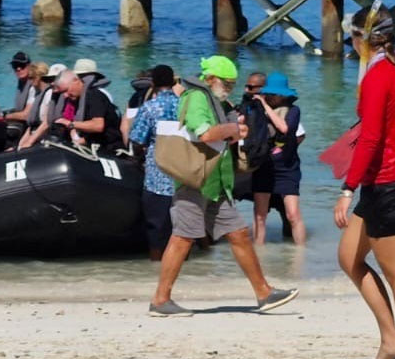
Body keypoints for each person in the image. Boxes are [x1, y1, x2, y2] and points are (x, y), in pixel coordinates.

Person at [149, 55, 298, 317]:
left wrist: (234, 130)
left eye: (232, 83)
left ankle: (264, 293)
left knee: (239, 233)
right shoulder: (196, 97)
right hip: (194, 180)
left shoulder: (214, 100)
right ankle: (161, 300)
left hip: (215, 181)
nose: (229, 87)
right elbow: (203, 132)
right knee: (183, 236)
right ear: (210, 79)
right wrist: (232, 129)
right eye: (226, 83)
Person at [333, 4, 395, 359]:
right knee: (348, 257)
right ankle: (392, 341)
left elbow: (372, 139)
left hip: (388, 181)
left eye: (353, 38)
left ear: (362, 38)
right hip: (392, 179)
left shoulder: (377, 76)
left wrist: (346, 189)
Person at [128, 64, 179, 260]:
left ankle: (156, 268)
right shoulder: (185, 105)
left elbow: (138, 140)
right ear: (173, 82)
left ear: (154, 84)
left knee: (156, 228)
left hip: (158, 176)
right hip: (184, 175)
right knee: (181, 231)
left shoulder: (150, 107)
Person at [251, 72, 307, 245]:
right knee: (260, 215)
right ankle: (258, 253)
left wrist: (265, 107)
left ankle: (301, 255)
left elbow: (284, 128)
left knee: (293, 215)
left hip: (287, 168)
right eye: (267, 94)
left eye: (273, 95)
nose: (269, 97)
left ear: (283, 95)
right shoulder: (259, 109)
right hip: (264, 166)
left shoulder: (294, 111)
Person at [52, 70, 122, 150]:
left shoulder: (94, 95)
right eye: (62, 93)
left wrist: (70, 124)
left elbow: (98, 126)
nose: (65, 96)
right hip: (93, 143)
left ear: (76, 80)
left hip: (110, 147)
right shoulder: (77, 99)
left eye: (66, 90)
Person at [18, 63, 67, 149]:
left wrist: (29, 142)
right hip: (36, 136)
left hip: (45, 139)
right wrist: (20, 145)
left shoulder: (50, 94)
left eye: (32, 78)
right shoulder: (41, 94)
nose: (30, 81)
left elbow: (46, 123)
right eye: (50, 79)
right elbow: (32, 126)